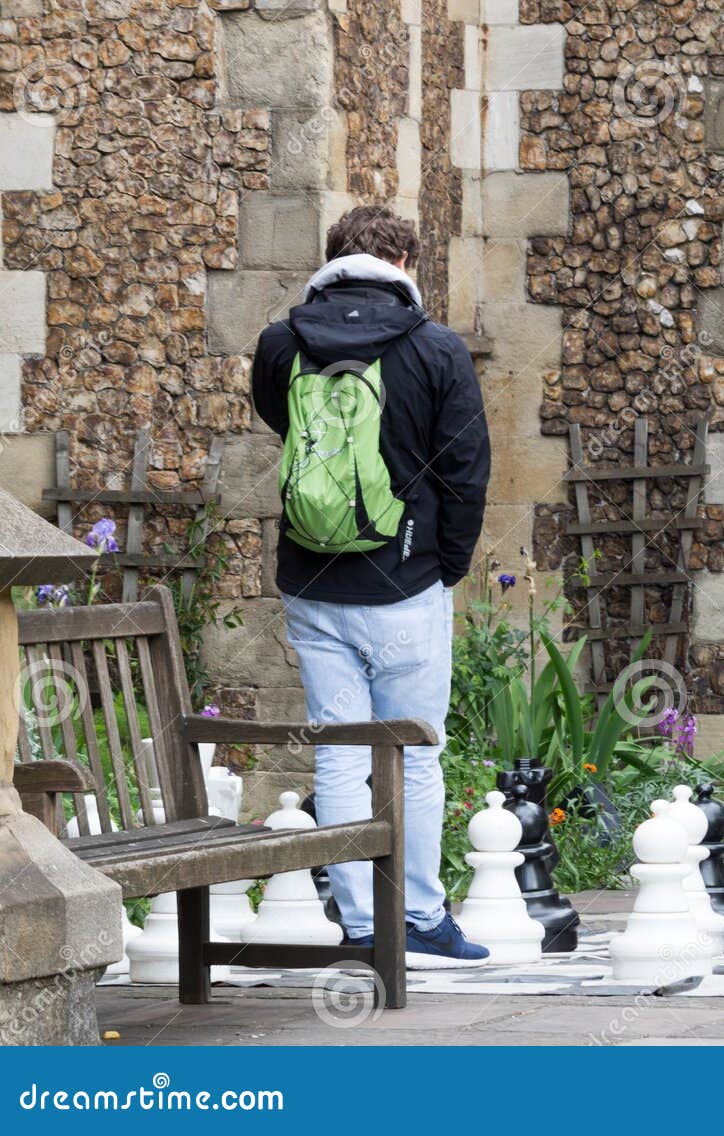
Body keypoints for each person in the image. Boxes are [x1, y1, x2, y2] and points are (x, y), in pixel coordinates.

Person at [249, 205, 491, 968]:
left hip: (310, 580)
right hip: (407, 579)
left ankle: (359, 925)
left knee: (339, 751)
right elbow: (467, 471)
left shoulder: (281, 342)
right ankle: (417, 915)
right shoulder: (434, 348)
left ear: (332, 260)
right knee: (414, 753)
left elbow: (280, 422)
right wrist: (444, 564)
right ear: (406, 261)